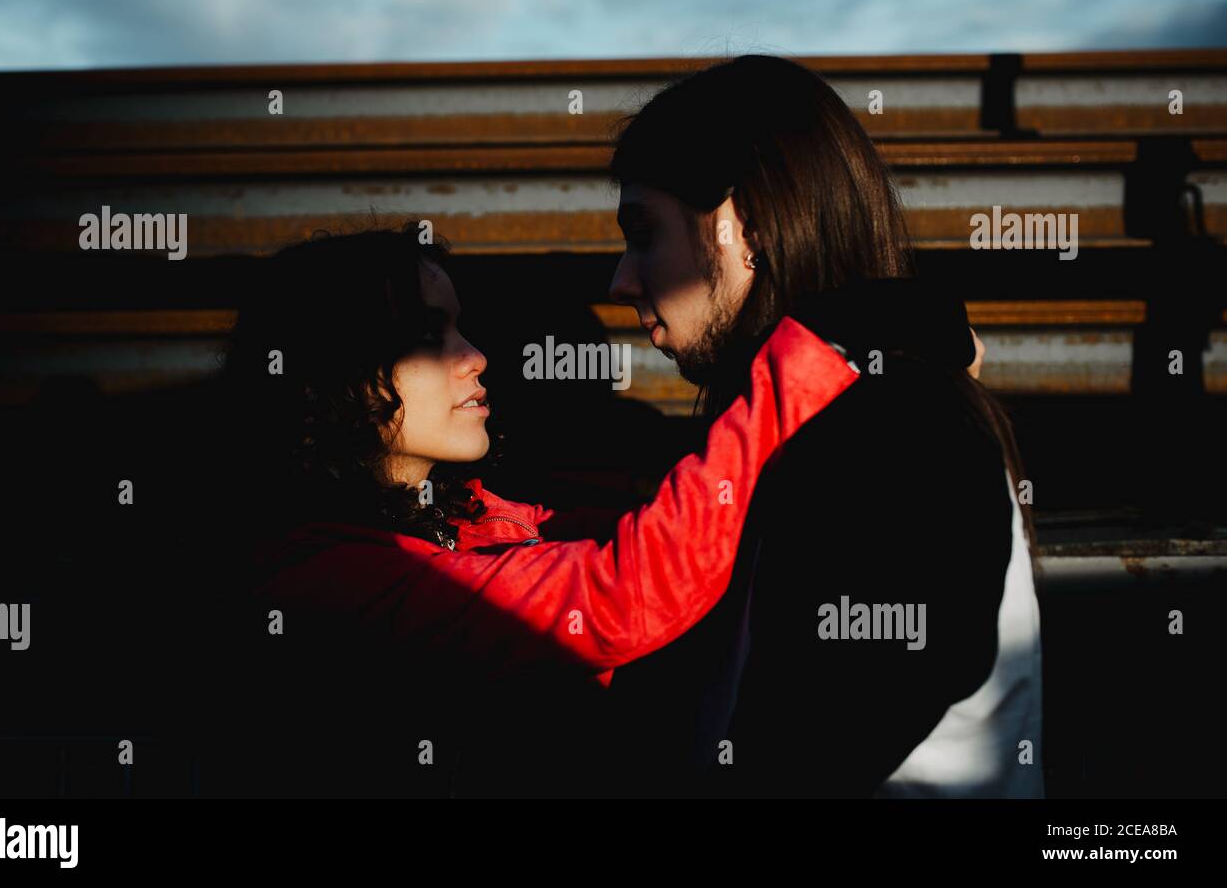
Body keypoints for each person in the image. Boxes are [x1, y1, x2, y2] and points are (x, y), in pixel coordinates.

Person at [188, 221, 859, 796]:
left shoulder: (475, 521)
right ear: (338, 374)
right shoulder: (323, 576)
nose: (475, 356)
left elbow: (659, 526)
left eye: (462, 328)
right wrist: (814, 357)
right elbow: (619, 594)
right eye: (431, 333)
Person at [603, 54, 1042, 797]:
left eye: (643, 232)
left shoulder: (895, 430)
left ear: (741, 224)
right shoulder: (819, 418)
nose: (619, 280)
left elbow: (815, 748)